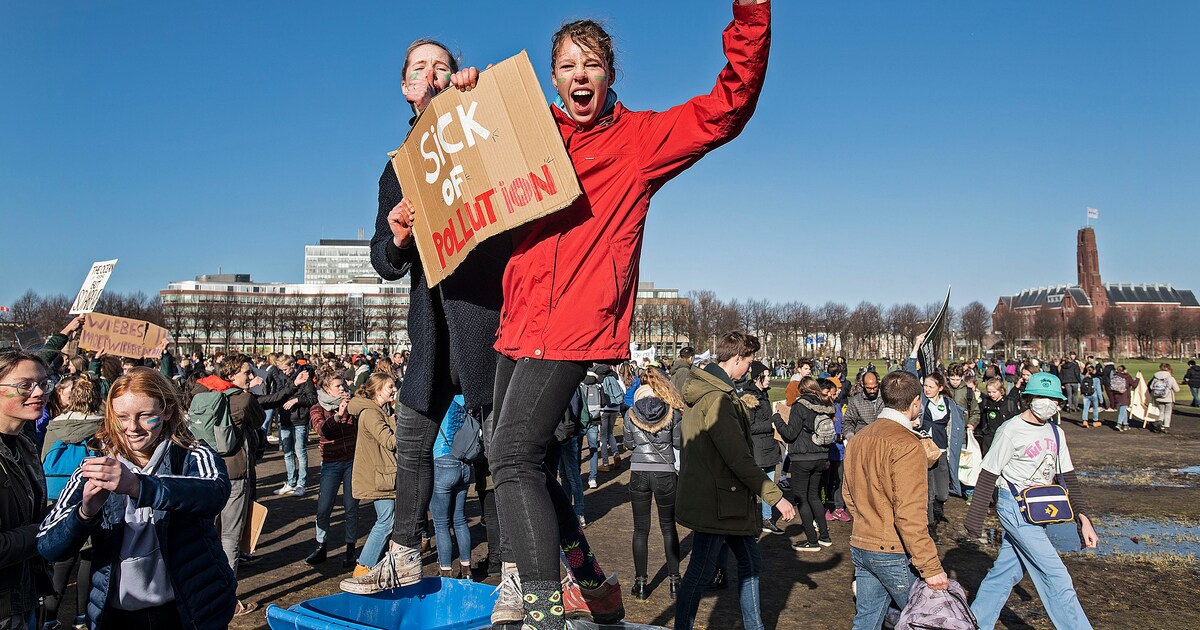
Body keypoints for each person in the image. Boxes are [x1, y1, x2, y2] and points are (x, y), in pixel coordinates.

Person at [487, 3, 771, 626]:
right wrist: (458, 102)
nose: (579, 74)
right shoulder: (534, 142)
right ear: (553, 80)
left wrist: (750, 15)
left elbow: (728, 106)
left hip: (572, 324)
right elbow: (459, 175)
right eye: (566, 65)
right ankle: (589, 580)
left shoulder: (637, 140)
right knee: (510, 453)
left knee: (510, 454)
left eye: (592, 63)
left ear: (610, 75)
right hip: (518, 322)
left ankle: (538, 609)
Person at [357, 38, 510, 608]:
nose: (431, 74)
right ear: (405, 87)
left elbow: (521, 164)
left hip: (485, 322)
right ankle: (403, 554)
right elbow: (383, 259)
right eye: (419, 68)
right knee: (415, 447)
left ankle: (517, 565)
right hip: (430, 328)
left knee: (506, 454)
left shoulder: (480, 128)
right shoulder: (396, 169)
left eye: (442, 67)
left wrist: (484, 100)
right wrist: (396, 234)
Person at [38, 368, 236, 629]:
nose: (132, 428)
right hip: (117, 614)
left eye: (145, 416)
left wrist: (138, 486)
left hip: (190, 610)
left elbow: (214, 492)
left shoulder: (192, 453)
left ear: (166, 412)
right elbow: (48, 545)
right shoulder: (94, 466)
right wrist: (84, 514)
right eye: (121, 417)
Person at [675, 332, 794, 630]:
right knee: (700, 573)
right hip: (720, 501)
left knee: (750, 563)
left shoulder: (713, 391)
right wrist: (775, 495)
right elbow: (737, 457)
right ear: (738, 358)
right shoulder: (717, 399)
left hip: (725, 498)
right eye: (750, 360)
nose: (751, 366)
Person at [963, 372, 1099, 629]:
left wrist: (1084, 520)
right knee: (1056, 576)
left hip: (1040, 510)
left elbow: (1068, 477)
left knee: (1006, 573)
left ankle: (975, 623)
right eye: (1041, 397)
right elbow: (988, 473)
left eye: (1053, 399)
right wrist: (974, 522)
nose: (1047, 403)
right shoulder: (1010, 430)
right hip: (1014, 507)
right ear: (1029, 398)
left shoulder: (1057, 433)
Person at [842, 369, 947, 629]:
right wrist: (931, 567)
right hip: (891, 549)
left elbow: (849, 494)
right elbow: (910, 513)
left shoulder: (858, 439)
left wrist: (867, 523)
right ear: (915, 403)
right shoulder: (908, 445)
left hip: (863, 543)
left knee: (866, 621)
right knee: (929, 621)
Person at [39, 373, 103, 630]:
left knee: (62, 560)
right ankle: (81, 617)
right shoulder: (102, 425)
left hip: (55, 497)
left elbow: (44, 458)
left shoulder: (55, 425)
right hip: (86, 495)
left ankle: (50, 618)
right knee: (88, 559)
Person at [0, 352, 52, 630]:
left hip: (26, 598)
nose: (39, 392)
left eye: (44, 383)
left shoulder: (24, 445)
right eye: (25, 385)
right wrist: (49, 527)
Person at [622, 368, 683, 600]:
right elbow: (677, 442)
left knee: (640, 529)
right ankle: (675, 582)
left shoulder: (630, 413)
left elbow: (628, 443)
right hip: (665, 472)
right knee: (668, 527)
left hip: (639, 471)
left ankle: (640, 584)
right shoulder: (671, 411)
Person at [342, 373, 399, 583]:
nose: (394, 390)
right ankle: (364, 567)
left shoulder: (377, 411)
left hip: (383, 474)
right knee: (386, 521)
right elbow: (390, 442)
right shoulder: (372, 414)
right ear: (377, 390)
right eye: (390, 387)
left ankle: (373, 565)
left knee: (388, 520)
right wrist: (402, 425)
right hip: (379, 476)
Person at [305, 365, 359, 568]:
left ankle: (350, 549)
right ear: (327, 389)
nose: (343, 388)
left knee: (351, 506)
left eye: (343, 384)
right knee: (323, 507)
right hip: (331, 462)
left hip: (352, 460)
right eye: (338, 385)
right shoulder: (318, 407)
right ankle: (321, 546)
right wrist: (338, 416)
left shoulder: (351, 403)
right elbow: (322, 430)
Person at [773, 376, 834, 551]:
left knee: (801, 498)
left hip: (802, 457)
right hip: (821, 456)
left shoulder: (799, 406)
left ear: (801, 390)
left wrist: (777, 418)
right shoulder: (824, 404)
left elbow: (790, 434)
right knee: (814, 496)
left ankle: (812, 541)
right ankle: (824, 536)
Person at [430, 395, 474, 580]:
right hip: (464, 463)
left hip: (442, 459)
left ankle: (445, 571)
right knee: (460, 519)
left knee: (441, 524)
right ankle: (466, 569)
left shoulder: (440, 400)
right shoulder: (466, 399)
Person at [268, 355, 318, 497]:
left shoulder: (305, 377)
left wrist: (296, 400)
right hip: (285, 419)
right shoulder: (282, 377)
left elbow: (312, 398)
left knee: (300, 452)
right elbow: (278, 394)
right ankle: (290, 482)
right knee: (287, 453)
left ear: (292, 365)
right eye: (281, 370)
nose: (283, 372)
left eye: (285, 369)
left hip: (299, 420)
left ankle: (301, 484)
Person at [744, 361, 783, 534]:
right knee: (755, 487)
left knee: (770, 484)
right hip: (758, 448)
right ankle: (751, 522)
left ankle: (766, 519)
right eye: (766, 376)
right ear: (757, 377)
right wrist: (772, 423)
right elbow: (749, 426)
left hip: (769, 446)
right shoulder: (749, 398)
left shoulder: (764, 395)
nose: (769, 379)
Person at [976, 377, 1018, 455]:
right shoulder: (986, 401)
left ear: (1001, 391)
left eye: (994, 392)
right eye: (989, 392)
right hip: (988, 436)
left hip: (1004, 438)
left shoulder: (1009, 403)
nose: (991, 394)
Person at [842, 370, 883, 442]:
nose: (872, 391)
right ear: (862, 385)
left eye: (875, 387)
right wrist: (850, 436)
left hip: (883, 440)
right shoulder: (855, 401)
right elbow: (848, 421)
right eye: (869, 388)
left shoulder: (886, 398)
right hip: (862, 441)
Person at [1147, 363, 1180, 434]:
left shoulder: (1156, 378)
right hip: (1168, 398)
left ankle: (1160, 424)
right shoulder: (1171, 378)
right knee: (1168, 412)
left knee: (1161, 412)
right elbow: (1177, 389)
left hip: (1158, 398)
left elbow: (1151, 387)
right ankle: (1166, 427)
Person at [1107, 365, 1137, 432]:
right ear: (1124, 370)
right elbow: (1134, 384)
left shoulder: (1115, 376)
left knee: (1124, 409)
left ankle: (1125, 424)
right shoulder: (1127, 376)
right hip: (1125, 395)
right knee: (1123, 409)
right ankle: (1119, 424)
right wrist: (1138, 379)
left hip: (1117, 395)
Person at [1079, 364, 1103, 428]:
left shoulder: (1083, 377)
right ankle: (1095, 421)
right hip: (1094, 394)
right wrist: (1101, 399)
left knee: (1085, 408)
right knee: (1095, 408)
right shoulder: (1096, 379)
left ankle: (1085, 421)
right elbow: (1099, 390)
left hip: (1085, 394)